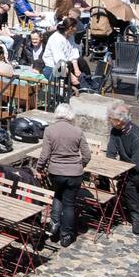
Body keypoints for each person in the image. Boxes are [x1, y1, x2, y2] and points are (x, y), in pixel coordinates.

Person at [37, 103, 91, 246]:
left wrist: (39, 168)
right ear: (70, 115)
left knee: (58, 195)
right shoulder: (78, 131)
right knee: (69, 204)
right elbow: (87, 155)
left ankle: (54, 224)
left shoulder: (49, 130)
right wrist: (81, 165)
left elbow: (44, 155)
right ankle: (66, 236)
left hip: (56, 172)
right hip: (74, 173)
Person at [107, 103, 139, 236]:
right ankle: (108, 207)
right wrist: (110, 168)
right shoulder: (115, 131)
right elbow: (110, 154)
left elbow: (137, 166)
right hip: (125, 167)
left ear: (119, 120)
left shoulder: (138, 137)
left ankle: (137, 218)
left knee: (129, 183)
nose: (108, 119)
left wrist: (119, 171)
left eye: (110, 118)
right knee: (101, 175)